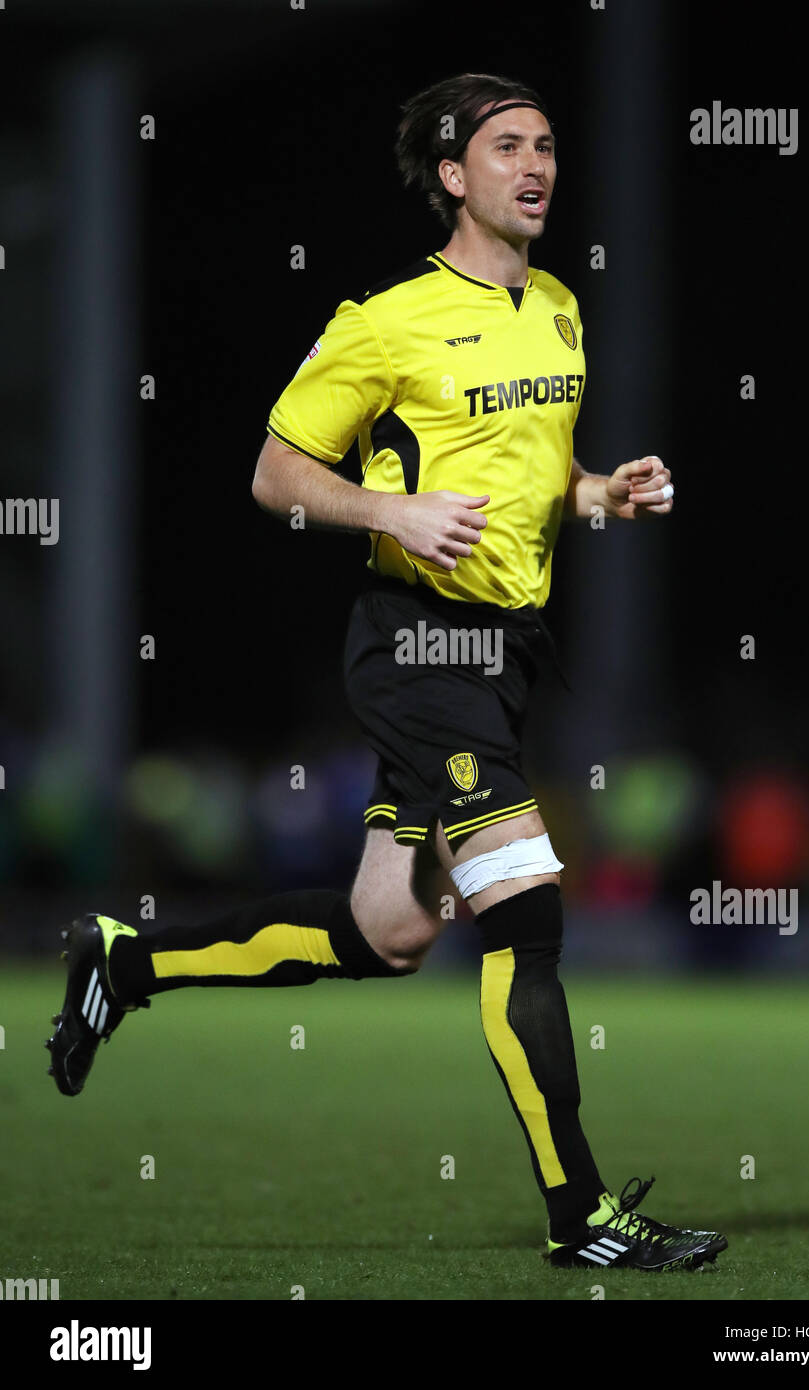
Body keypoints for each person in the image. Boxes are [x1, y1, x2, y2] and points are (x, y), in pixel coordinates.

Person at [47, 72, 726, 1273]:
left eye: (548, 146)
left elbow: (542, 481)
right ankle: (584, 1219)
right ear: (452, 177)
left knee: (388, 931)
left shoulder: (561, 307)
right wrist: (389, 511)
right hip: (420, 648)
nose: (538, 165)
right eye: (508, 146)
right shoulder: (386, 319)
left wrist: (604, 493)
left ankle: (127, 956)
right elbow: (274, 472)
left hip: (507, 654)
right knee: (528, 916)